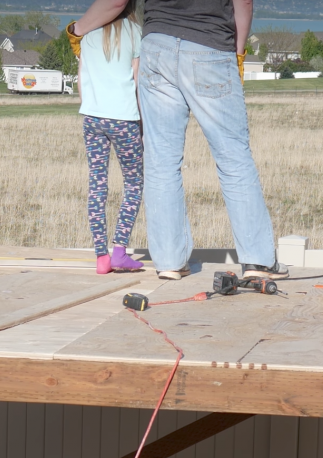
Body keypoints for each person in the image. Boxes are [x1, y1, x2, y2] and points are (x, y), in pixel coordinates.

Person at [67, 0, 288, 280]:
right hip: (210, 42)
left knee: (161, 159)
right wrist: (239, 52)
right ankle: (257, 262)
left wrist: (78, 30)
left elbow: (116, 2)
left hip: (157, 46)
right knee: (233, 156)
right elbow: (243, 2)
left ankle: (170, 262)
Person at [76, 0, 145, 274]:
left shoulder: (87, 35)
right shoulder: (135, 33)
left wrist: (90, 108)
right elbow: (137, 82)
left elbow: (81, 79)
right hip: (125, 118)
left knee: (97, 184)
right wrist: (141, 125)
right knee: (133, 184)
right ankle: (120, 250)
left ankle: (101, 256)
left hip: (92, 117)